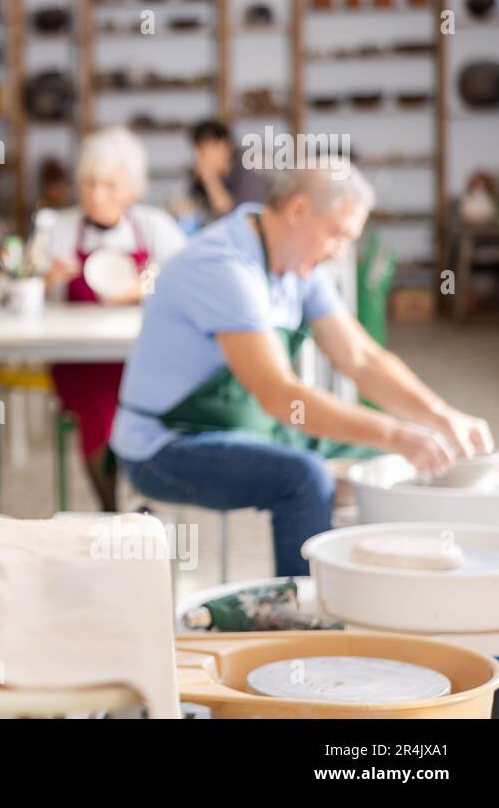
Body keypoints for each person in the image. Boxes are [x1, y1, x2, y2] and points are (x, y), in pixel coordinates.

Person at [111, 159, 493, 576]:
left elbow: (363, 358)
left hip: (251, 427)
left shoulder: (298, 264)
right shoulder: (223, 266)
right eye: (338, 235)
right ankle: (300, 618)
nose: (341, 252)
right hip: (165, 447)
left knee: (395, 458)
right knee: (304, 479)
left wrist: (441, 417)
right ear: (297, 211)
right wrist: (399, 433)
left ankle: (379, 594)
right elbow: (281, 396)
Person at [43, 126, 186, 511]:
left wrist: (146, 288)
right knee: (97, 406)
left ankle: (142, 494)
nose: (95, 195)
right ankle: (111, 509)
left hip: (144, 355)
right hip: (80, 361)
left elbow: (188, 284)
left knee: (143, 403)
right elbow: (19, 296)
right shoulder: (59, 230)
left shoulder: (155, 227)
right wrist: (46, 280)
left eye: (108, 185)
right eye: (88, 184)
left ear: (133, 189)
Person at [169, 119, 267, 231]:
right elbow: (193, 214)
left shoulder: (249, 174)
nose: (199, 156)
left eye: (203, 149)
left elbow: (239, 223)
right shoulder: (199, 182)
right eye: (196, 149)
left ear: (225, 147)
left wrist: (210, 179)